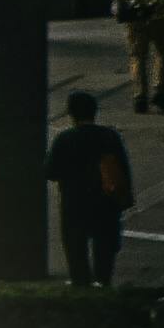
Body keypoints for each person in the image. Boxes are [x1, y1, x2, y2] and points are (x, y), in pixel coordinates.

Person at [47, 87, 134, 291]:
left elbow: (50, 171)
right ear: (94, 112)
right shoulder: (109, 136)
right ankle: (103, 284)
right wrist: (125, 198)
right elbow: (123, 169)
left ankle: (81, 286)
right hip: (105, 203)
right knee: (104, 251)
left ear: (71, 114)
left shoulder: (65, 139)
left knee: (76, 249)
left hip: (74, 203)